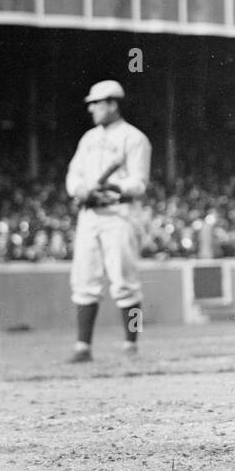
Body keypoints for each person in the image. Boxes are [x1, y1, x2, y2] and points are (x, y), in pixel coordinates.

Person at [64, 80, 152, 362]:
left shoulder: (134, 138)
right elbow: (73, 175)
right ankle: (82, 347)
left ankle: (131, 345)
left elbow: (139, 183)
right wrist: (79, 189)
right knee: (84, 280)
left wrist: (114, 187)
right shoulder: (88, 138)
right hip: (90, 214)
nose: (91, 108)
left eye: (97, 103)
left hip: (119, 213)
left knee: (125, 282)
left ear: (113, 104)